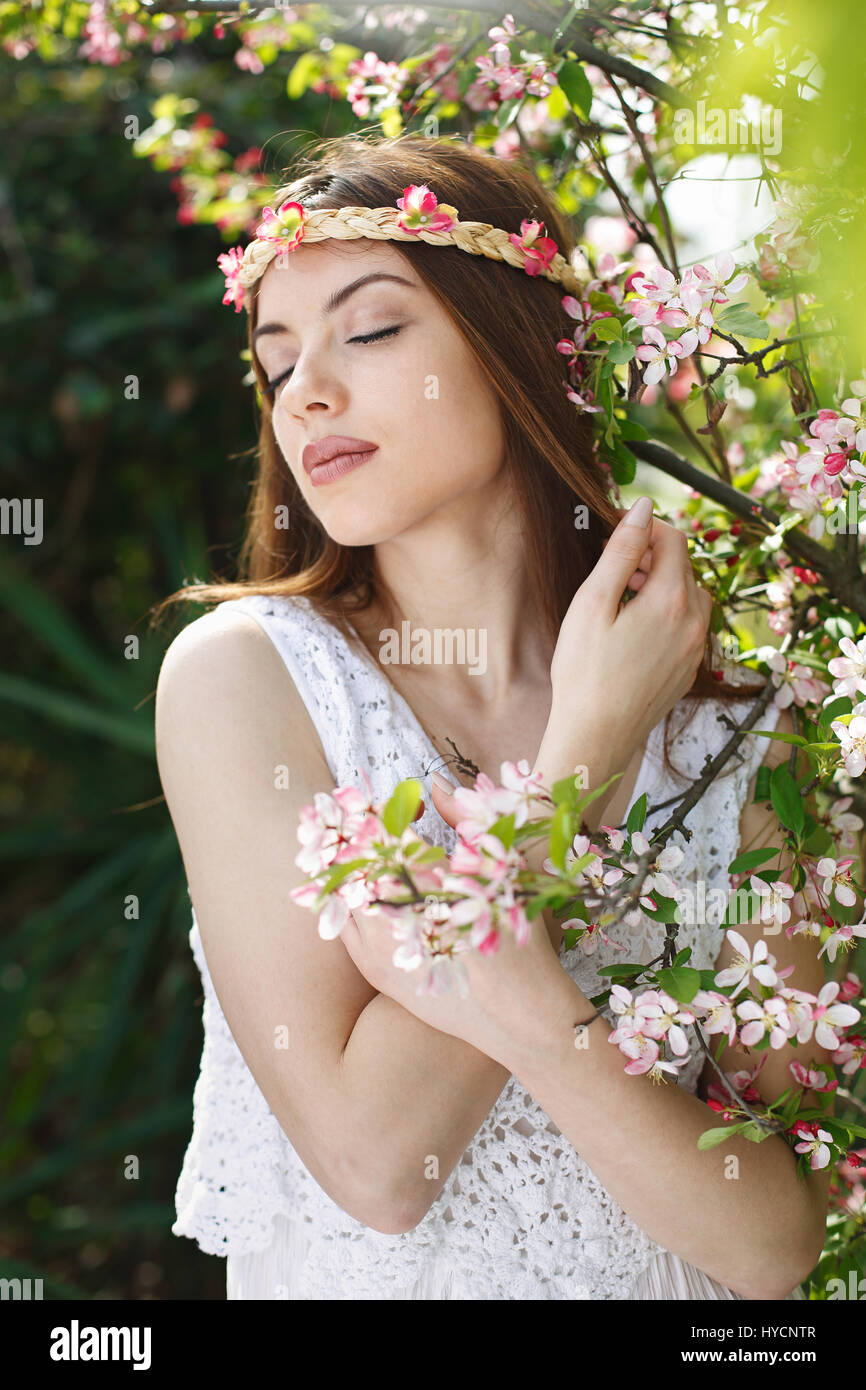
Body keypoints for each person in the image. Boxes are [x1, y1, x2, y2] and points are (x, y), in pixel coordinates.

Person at [153, 134, 832, 1299]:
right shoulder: (247, 679)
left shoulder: (739, 727)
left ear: (521, 344)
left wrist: (529, 1020)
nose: (306, 390)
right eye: (275, 362)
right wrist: (589, 754)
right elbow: (374, 1162)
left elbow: (775, 1244)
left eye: (368, 331)